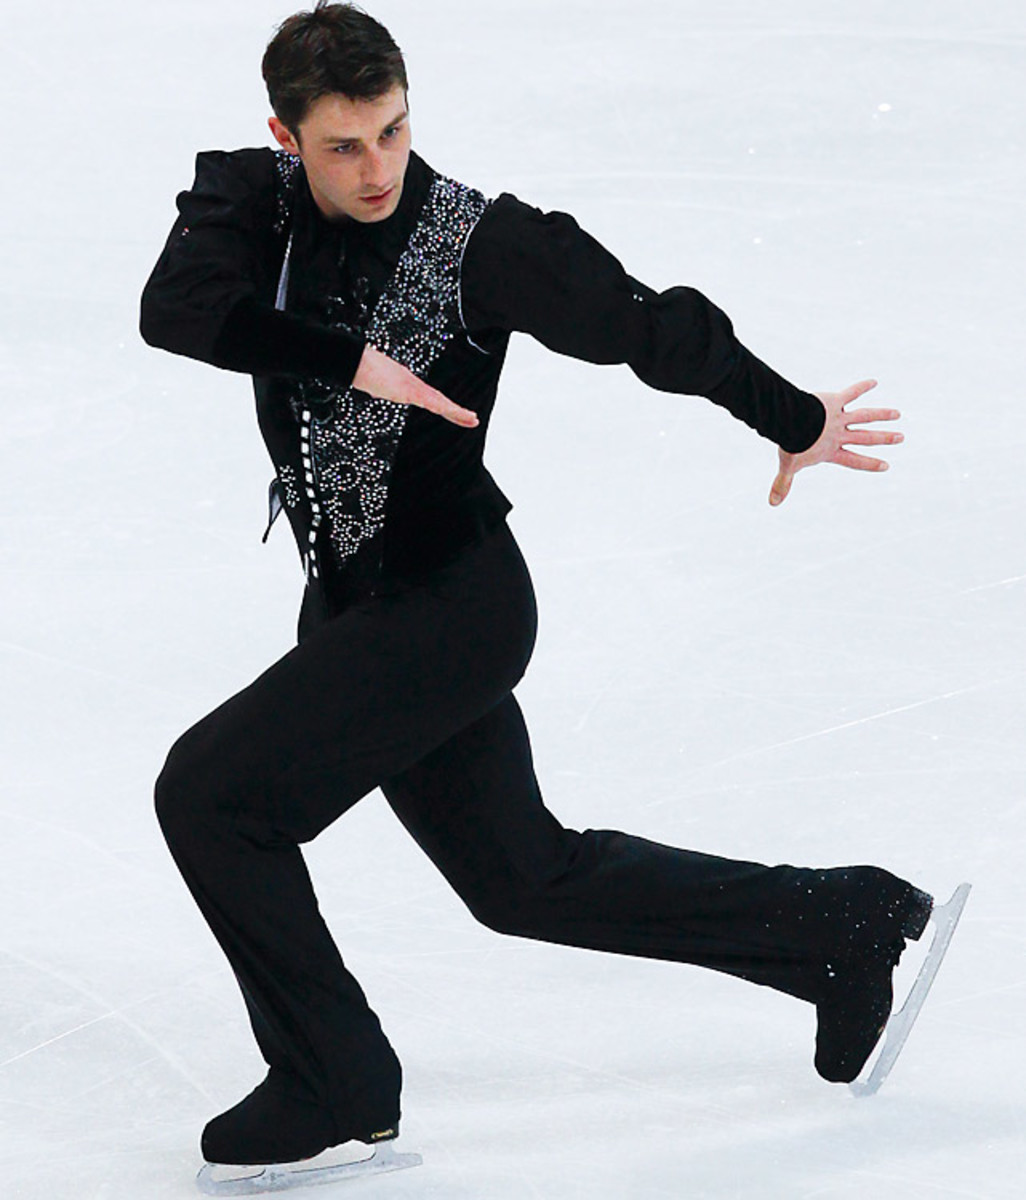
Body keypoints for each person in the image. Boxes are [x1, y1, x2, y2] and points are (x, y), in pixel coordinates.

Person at [140, 0, 940, 1179]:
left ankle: (336, 1079)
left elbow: (645, 329)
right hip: (360, 611)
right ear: (287, 136)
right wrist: (349, 361)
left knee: (211, 799)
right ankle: (837, 928)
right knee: (524, 880)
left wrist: (796, 416)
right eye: (342, 147)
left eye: (394, 134)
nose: (376, 170)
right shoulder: (254, 207)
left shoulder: (479, 241)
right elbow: (178, 313)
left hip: (454, 608)